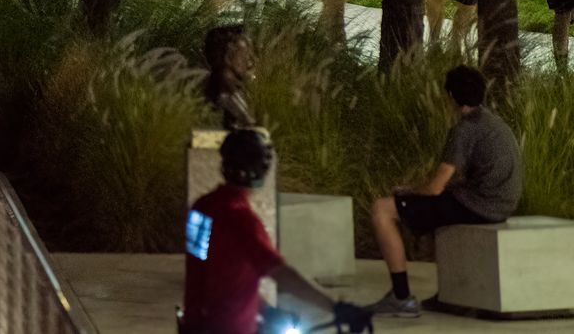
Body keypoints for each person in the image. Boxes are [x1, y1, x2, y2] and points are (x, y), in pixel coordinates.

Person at [366, 65, 522, 318]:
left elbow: (435, 187)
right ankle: (452, 295)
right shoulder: (493, 122)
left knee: (382, 210)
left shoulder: (464, 129)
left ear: (450, 96)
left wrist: (409, 191)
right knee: (434, 208)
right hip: (501, 203)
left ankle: (401, 297)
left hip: (480, 207)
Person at [183, 130, 353, 334]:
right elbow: (281, 274)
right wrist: (336, 307)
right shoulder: (242, 220)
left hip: (197, 326)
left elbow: (217, 276)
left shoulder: (202, 207)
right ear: (262, 169)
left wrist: (265, 309)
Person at [202, 26, 255, 128]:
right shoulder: (221, 100)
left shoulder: (239, 95)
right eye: (245, 55)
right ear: (227, 58)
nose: (250, 62)